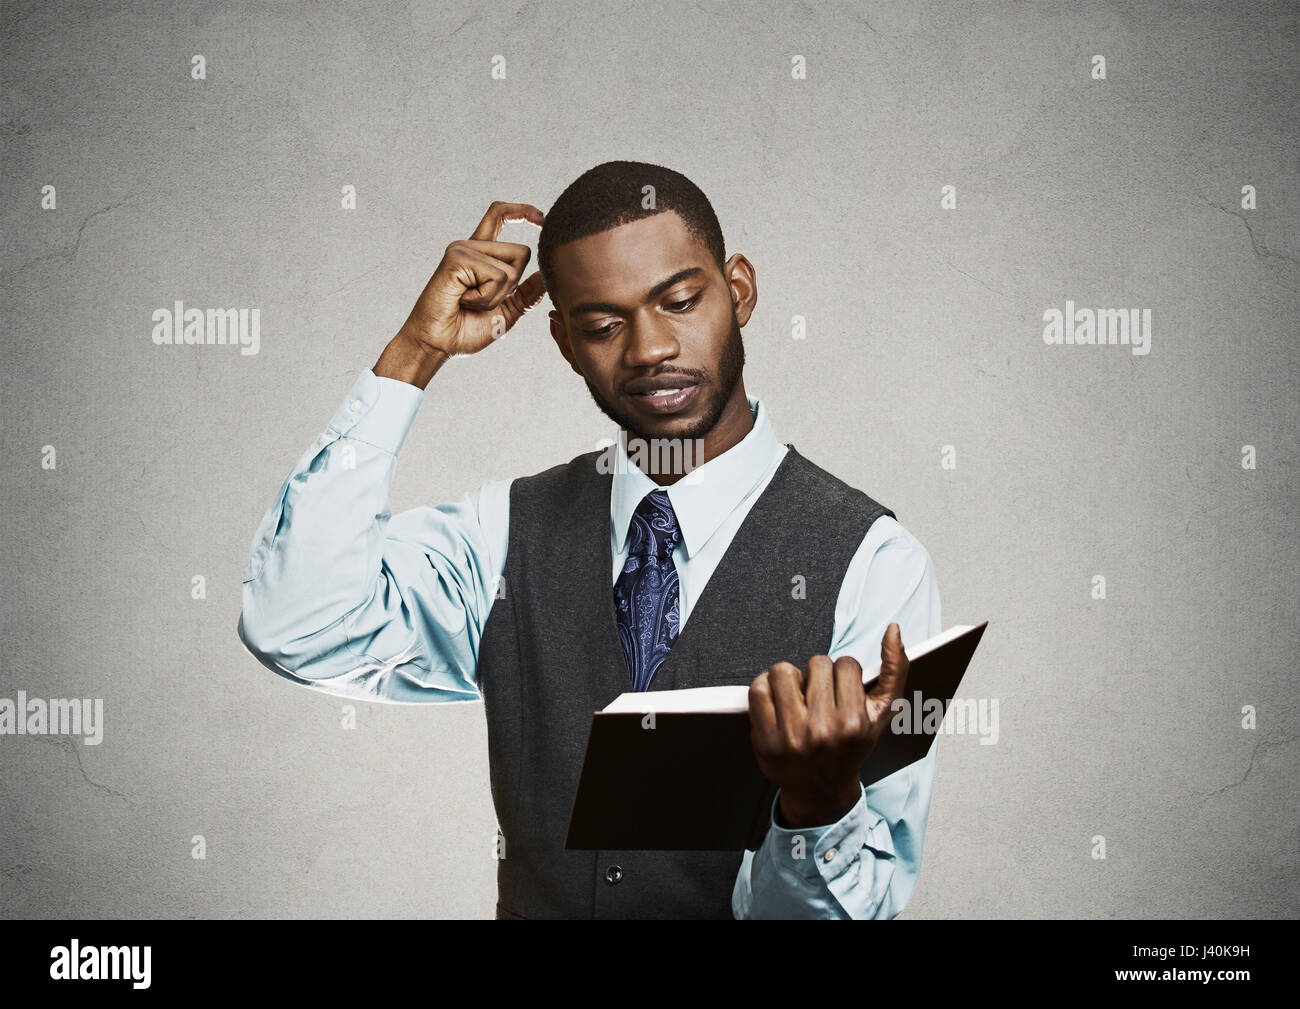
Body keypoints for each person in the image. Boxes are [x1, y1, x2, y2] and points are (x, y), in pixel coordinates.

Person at [237, 160, 942, 919]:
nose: (647, 349)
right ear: (564, 341)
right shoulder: (503, 534)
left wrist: (818, 804)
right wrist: (415, 353)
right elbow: (296, 622)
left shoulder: (873, 562)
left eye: (679, 300)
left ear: (739, 291)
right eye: (603, 324)